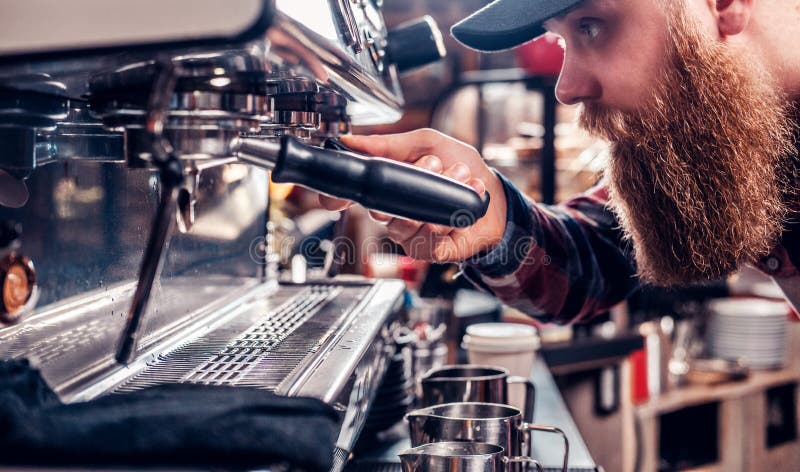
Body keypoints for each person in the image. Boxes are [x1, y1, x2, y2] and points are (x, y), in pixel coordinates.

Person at [321, 0, 800, 324]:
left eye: (591, 26)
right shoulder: (732, 127)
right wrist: (487, 215)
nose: (566, 88)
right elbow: (595, 258)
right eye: (562, 41)